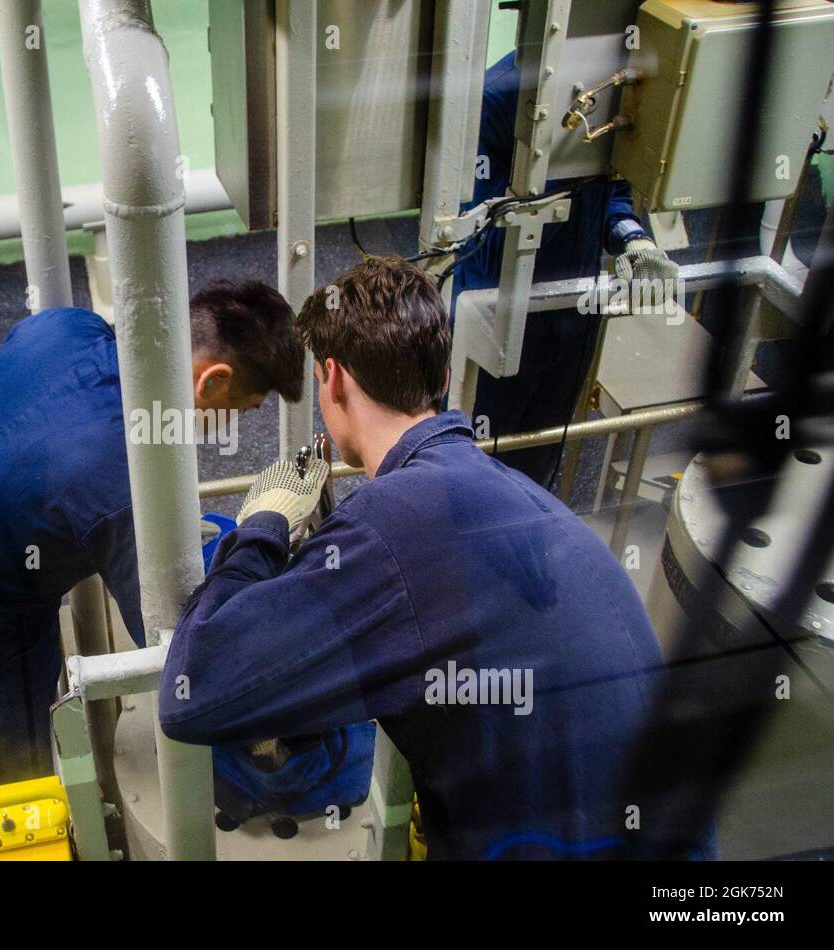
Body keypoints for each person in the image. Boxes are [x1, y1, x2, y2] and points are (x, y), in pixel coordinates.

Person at [160, 256, 682, 859]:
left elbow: (191, 694)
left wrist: (262, 526)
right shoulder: (516, 494)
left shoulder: (392, 529)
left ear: (334, 379)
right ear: (437, 376)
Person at [0, 280, 305, 789]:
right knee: (21, 785)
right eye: (243, 409)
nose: (231, 425)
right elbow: (179, 640)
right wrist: (264, 536)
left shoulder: (61, 326)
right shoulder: (122, 485)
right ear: (211, 383)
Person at [454, 51, 679, 485]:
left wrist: (633, 238)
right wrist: (558, 168)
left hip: (574, 313)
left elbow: (612, 191)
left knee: (542, 451)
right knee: (481, 461)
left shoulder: (610, 85)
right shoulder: (498, 95)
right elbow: (478, 242)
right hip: (500, 319)